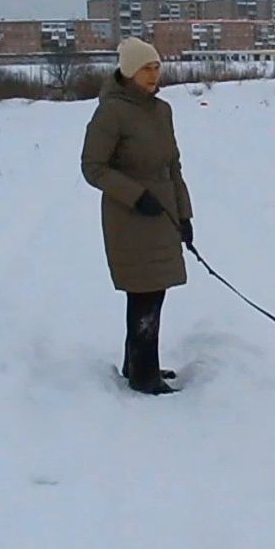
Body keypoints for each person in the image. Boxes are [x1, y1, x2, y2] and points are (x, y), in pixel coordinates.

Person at [81, 38, 193, 395]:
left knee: (154, 291)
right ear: (129, 71)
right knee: (144, 293)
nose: (154, 74)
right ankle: (144, 376)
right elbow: (93, 167)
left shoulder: (162, 111)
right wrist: (135, 194)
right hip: (129, 217)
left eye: (157, 67)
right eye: (146, 68)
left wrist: (185, 215)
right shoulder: (111, 112)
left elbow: (173, 166)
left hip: (162, 214)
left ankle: (139, 363)